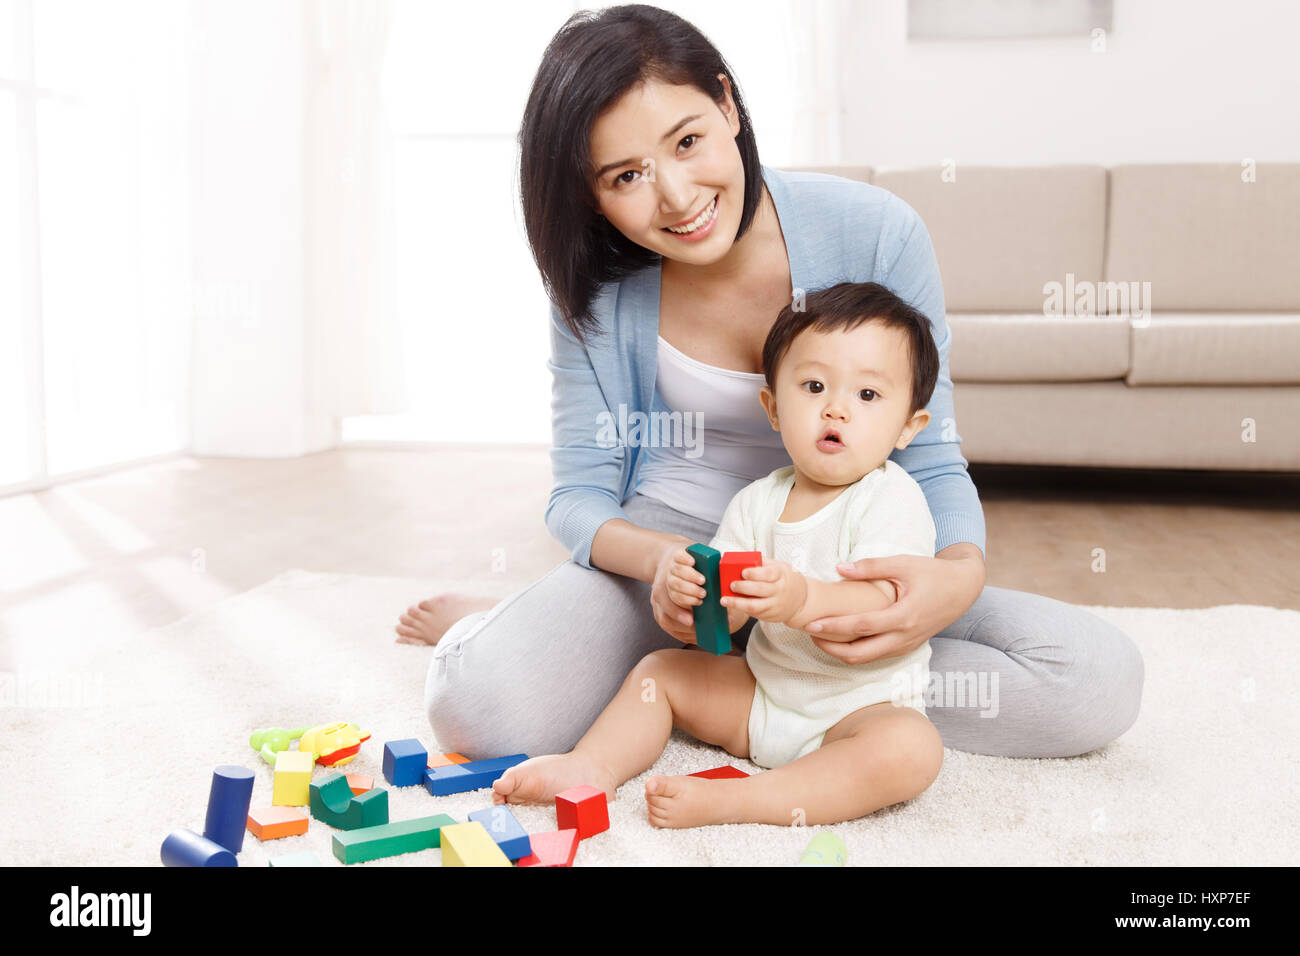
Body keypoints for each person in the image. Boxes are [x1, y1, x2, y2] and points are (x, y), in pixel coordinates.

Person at [396, 4, 1144, 763]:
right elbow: (577, 497)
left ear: (727, 104)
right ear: (592, 194)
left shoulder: (876, 230)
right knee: (481, 707)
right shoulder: (597, 290)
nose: (678, 197)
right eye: (628, 175)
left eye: (688, 141)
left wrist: (953, 577)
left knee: (1094, 681)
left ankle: (757, 685)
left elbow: (933, 453)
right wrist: (664, 567)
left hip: (849, 556)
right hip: (684, 559)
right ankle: (574, 636)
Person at [491, 282, 947, 828]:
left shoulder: (891, 497)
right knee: (661, 671)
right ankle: (589, 766)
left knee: (911, 748)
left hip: (856, 710)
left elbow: (882, 601)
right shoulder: (757, 501)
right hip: (764, 696)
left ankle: (746, 799)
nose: (836, 409)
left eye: (867, 396)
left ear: (908, 427)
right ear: (774, 407)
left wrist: (801, 597)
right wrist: (701, 601)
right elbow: (727, 617)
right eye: (814, 385)